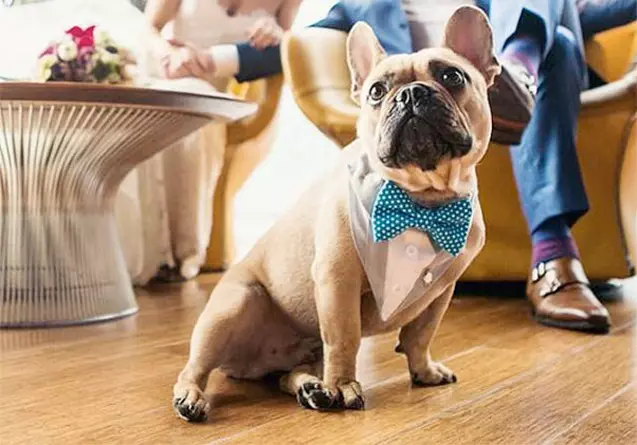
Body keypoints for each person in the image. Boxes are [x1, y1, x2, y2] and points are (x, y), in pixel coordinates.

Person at [168, 0, 636, 333]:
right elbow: (296, 42)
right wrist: (213, 57)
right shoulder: (362, 4)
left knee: (562, 31)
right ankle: (553, 247)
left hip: (490, 98)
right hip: (423, 123)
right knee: (564, 33)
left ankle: (515, 69)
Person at [118, 0, 301, 284]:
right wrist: (169, 54)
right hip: (168, 74)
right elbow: (149, 27)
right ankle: (148, 249)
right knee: (163, 113)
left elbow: (292, 47)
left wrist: (276, 31)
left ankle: (180, 252)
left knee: (195, 116)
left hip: (224, 94)